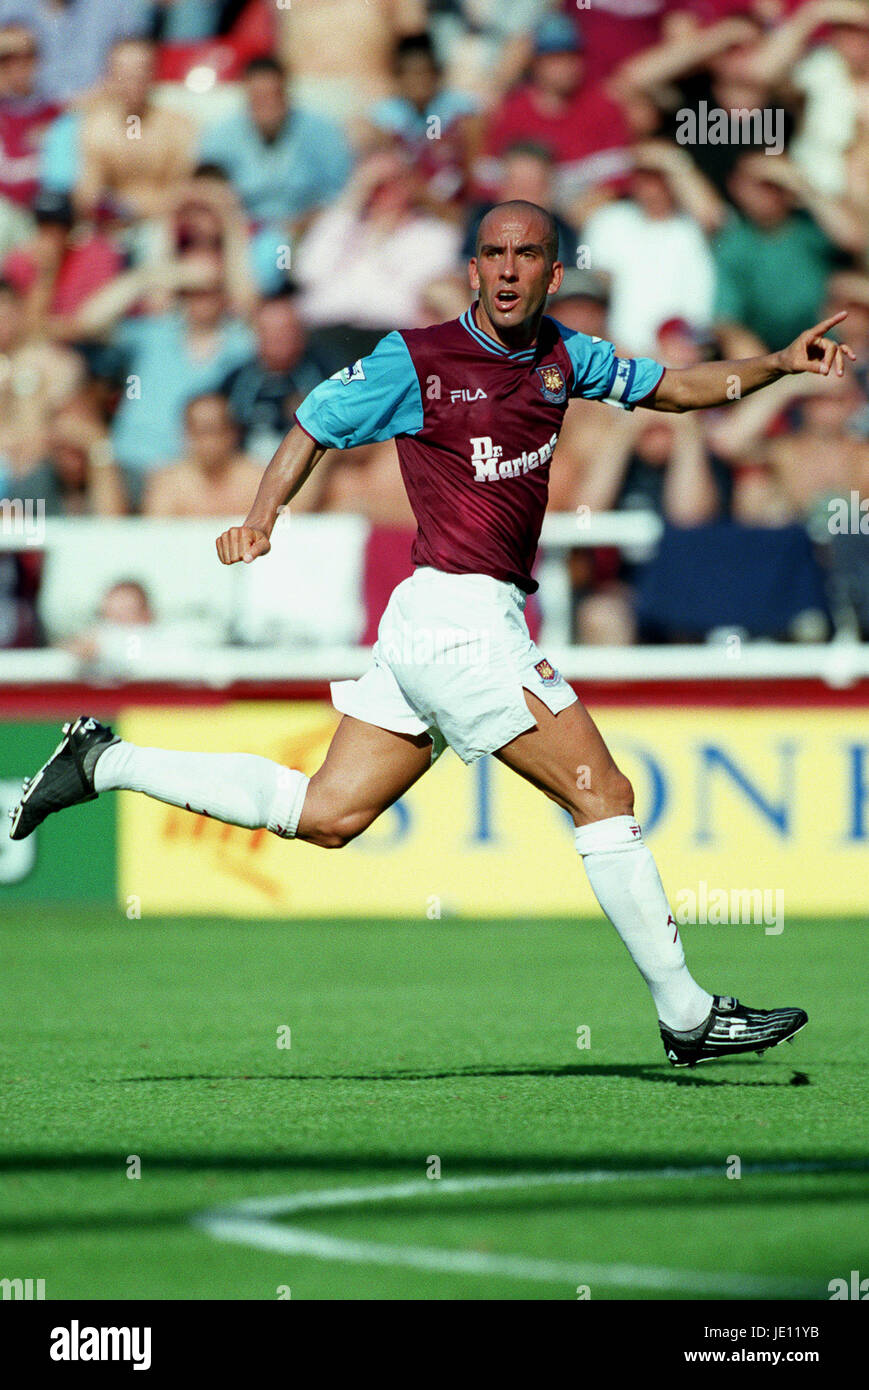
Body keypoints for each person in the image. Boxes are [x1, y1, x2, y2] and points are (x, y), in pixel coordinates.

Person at [11, 201, 853, 1067]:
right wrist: (263, 518)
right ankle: (686, 1016)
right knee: (601, 793)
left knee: (328, 813)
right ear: (474, 268)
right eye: (493, 253)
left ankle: (106, 763)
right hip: (456, 618)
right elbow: (312, 424)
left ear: (553, 273)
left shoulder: (567, 355)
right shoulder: (419, 360)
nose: (509, 268)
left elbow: (675, 388)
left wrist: (779, 365)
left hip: (439, 619)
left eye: (527, 254)